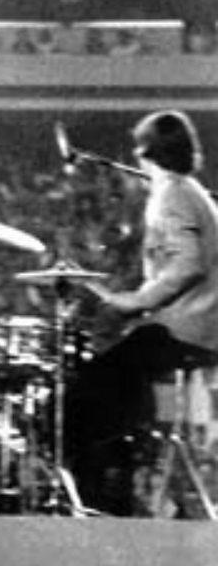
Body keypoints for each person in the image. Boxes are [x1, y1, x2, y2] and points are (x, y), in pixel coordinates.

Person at [69, 109, 218, 516]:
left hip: (185, 330)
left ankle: (101, 502)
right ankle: (125, 477)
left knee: (83, 395)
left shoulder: (172, 196)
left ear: (144, 153)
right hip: (196, 326)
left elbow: (188, 265)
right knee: (119, 382)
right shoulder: (188, 191)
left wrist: (136, 302)